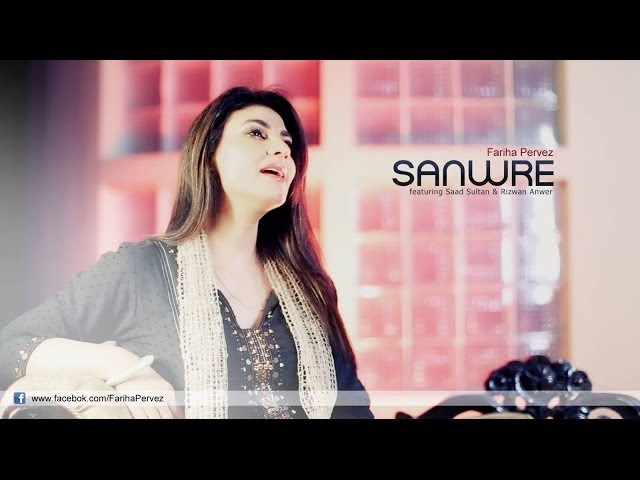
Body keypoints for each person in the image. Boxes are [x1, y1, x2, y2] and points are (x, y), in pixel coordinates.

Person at [0, 86, 374, 419]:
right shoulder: (141, 270)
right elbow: (10, 348)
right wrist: (118, 365)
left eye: (287, 143)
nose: (281, 150)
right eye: (256, 133)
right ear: (209, 155)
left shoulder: (311, 290)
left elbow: (353, 410)